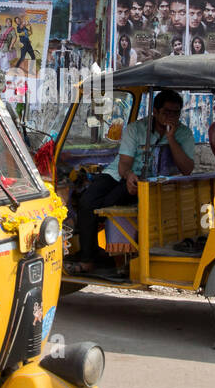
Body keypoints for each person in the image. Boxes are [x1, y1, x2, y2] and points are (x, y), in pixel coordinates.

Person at [70, 89, 194, 274]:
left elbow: (187, 168)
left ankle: (107, 255)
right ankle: (89, 258)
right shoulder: (136, 129)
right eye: (166, 112)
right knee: (87, 202)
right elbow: (124, 164)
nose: (171, 117)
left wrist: (170, 138)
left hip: (151, 184)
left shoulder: (183, 133)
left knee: (106, 205)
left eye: (175, 113)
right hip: (120, 174)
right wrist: (129, 176)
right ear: (155, 112)